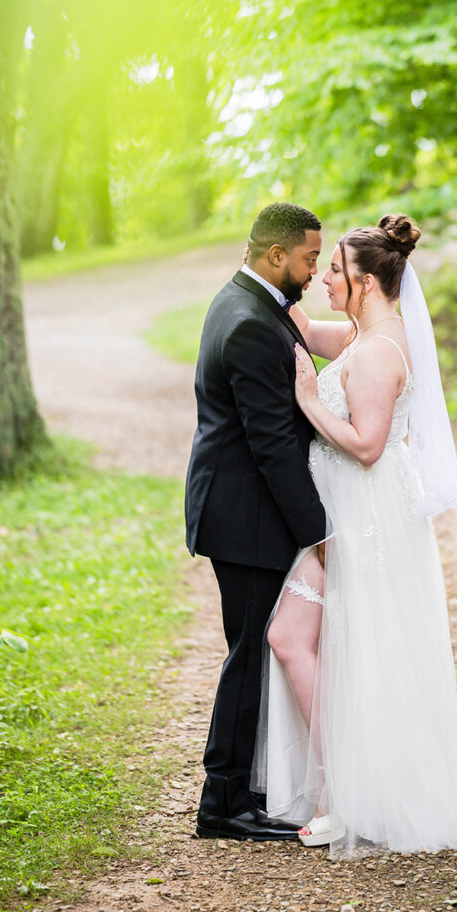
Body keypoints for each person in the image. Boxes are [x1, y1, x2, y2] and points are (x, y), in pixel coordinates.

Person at [252, 213, 457, 857]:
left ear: (368, 283)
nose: (324, 276)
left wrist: (308, 403)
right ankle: (340, 792)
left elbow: (367, 445)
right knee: (313, 642)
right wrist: (258, 275)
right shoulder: (365, 333)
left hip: (365, 515)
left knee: (345, 646)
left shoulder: (382, 352)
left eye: (335, 270)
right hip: (343, 513)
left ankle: (340, 799)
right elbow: (306, 330)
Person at [185, 202, 328, 842]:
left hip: (242, 509)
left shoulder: (249, 300)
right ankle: (224, 804)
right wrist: (317, 531)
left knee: (250, 652)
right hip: (244, 516)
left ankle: (248, 788)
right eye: (308, 258)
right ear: (276, 256)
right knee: (247, 656)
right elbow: (270, 442)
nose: (313, 268)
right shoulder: (247, 320)